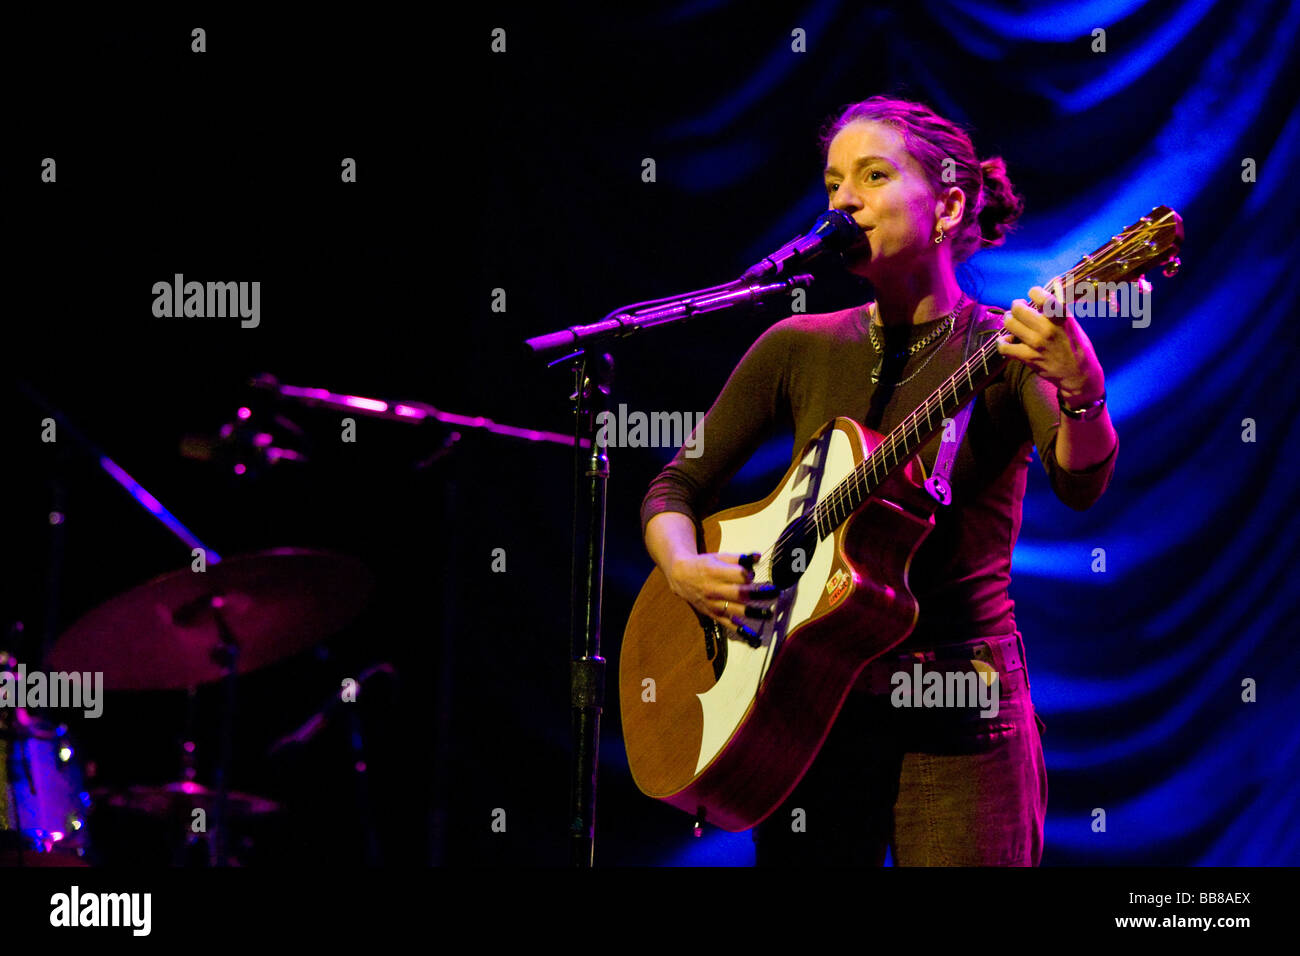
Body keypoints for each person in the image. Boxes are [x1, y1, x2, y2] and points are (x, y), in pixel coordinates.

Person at [638, 95, 1118, 866]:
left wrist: (1083, 391)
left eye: (871, 175)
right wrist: (684, 568)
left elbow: (1082, 481)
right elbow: (676, 487)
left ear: (948, 206)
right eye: (832, 184)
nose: (843, 201)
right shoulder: (796, 344)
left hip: (962, 715)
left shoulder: (1004, 346)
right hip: (807, 711)